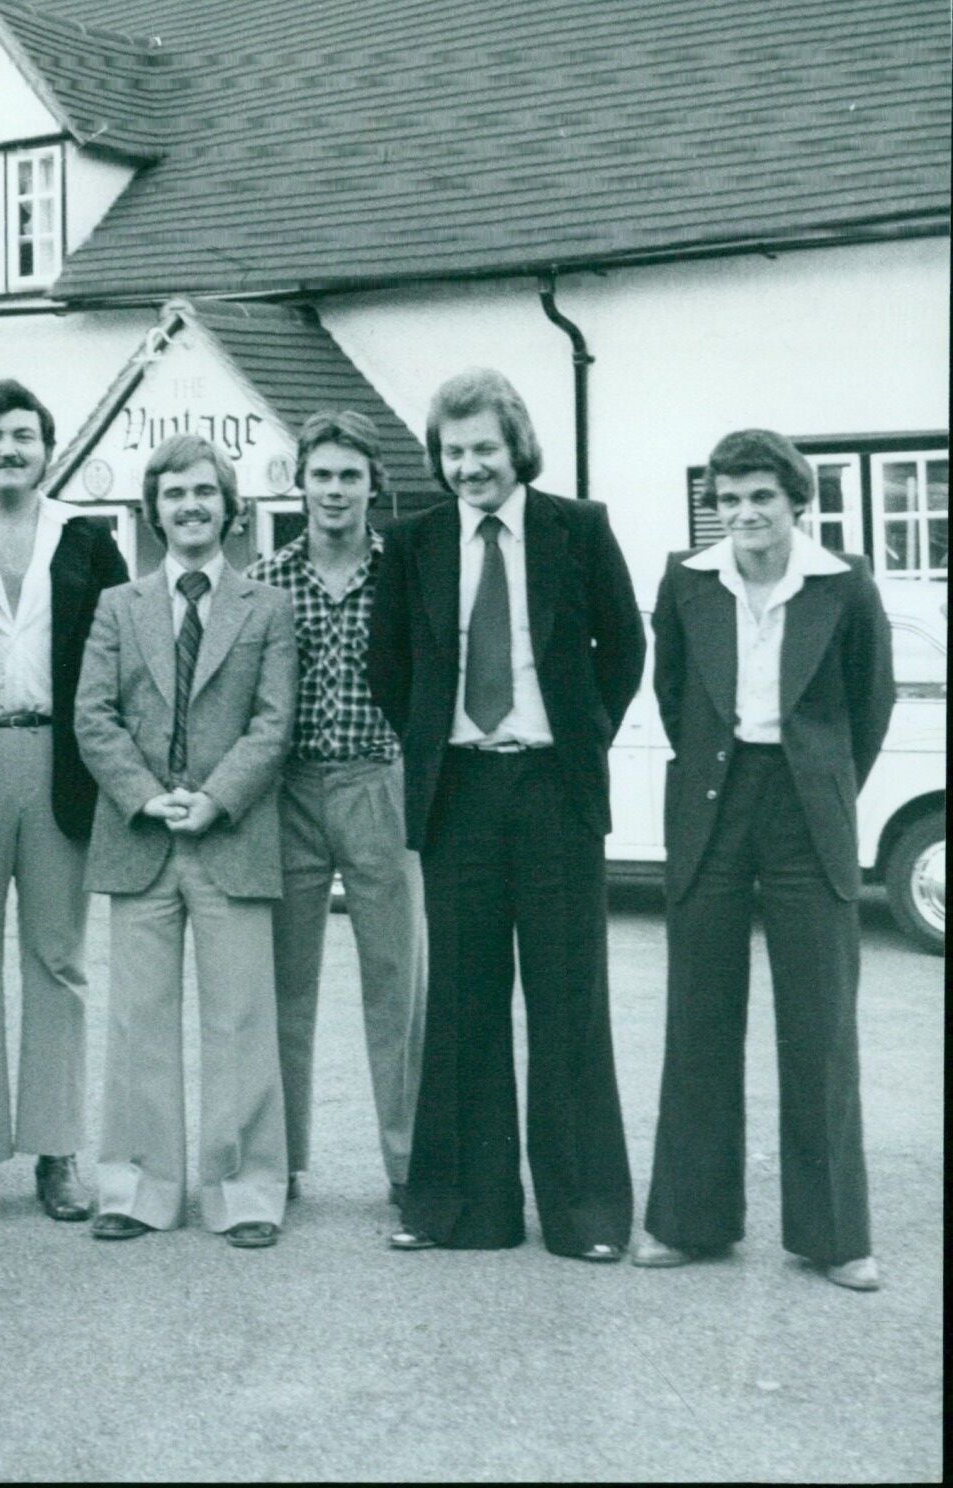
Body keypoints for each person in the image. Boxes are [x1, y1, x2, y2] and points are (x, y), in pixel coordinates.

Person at [367, 367, 645, 1260]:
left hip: (554, 787)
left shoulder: (577, 529)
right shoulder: (413, 543)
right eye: (453, 452)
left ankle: (586, 1216)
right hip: (460, 792)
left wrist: (582, 736)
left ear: (515, 446)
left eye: (483, 448)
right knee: (463, 1002)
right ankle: (462, 1212)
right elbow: (390, 663)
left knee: (568, 1000)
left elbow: (624, 646)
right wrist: (429, 742)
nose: (469, 467)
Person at [634, 430, 895, 1292]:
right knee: (700, 1017)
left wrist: (822, 783)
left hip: (805, 808)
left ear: (795, 504)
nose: (745, 514)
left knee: (820, 1021)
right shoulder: (687, 582)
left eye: (762, 499)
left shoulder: (843, 586)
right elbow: (673, 693)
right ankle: (689, 1222)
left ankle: (834, 1237)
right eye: (730, 498)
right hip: (713, 799)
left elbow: (870, 701)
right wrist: (723, 764)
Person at [76, 433, 296, 1248]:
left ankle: (245, 1192)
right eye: (175, 494)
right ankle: (137, 1188)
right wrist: (145, 798)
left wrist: (214, 800)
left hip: (230, 835)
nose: (191, 506)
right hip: (141, 838)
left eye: (205, 492)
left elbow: (273, 724)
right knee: (138, 1021)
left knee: (241, 1020)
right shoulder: (117, 605)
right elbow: (92, 717)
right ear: (153, 510)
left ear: (231, 512)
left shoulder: (267, 608)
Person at [0, 379, 129, 1225]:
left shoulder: (86, 538)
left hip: (61, 761)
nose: (7, 449)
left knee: (59, 960)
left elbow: (124, 656)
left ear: (48, 448)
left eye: (23, 435)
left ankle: (57, 1153)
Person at [246, 411, 426, 1207]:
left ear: (373, 485)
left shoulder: (406, 572)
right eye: (321, 474)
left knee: (397, 981)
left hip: (379, 782)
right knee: (285, 982)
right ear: (300, 481)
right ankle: (280, 1162)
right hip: (290, 793)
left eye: (350, 476)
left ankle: (408, 1160)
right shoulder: (268, 578)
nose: (334, 490)